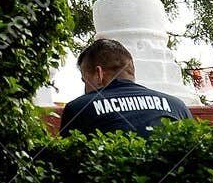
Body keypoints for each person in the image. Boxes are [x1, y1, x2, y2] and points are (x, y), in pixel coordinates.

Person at [59, 37, 191, 135]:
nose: (85, 89)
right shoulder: (177, 107)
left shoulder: (79, 109)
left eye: (85, 80)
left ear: (99, 73)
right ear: (131, 72)